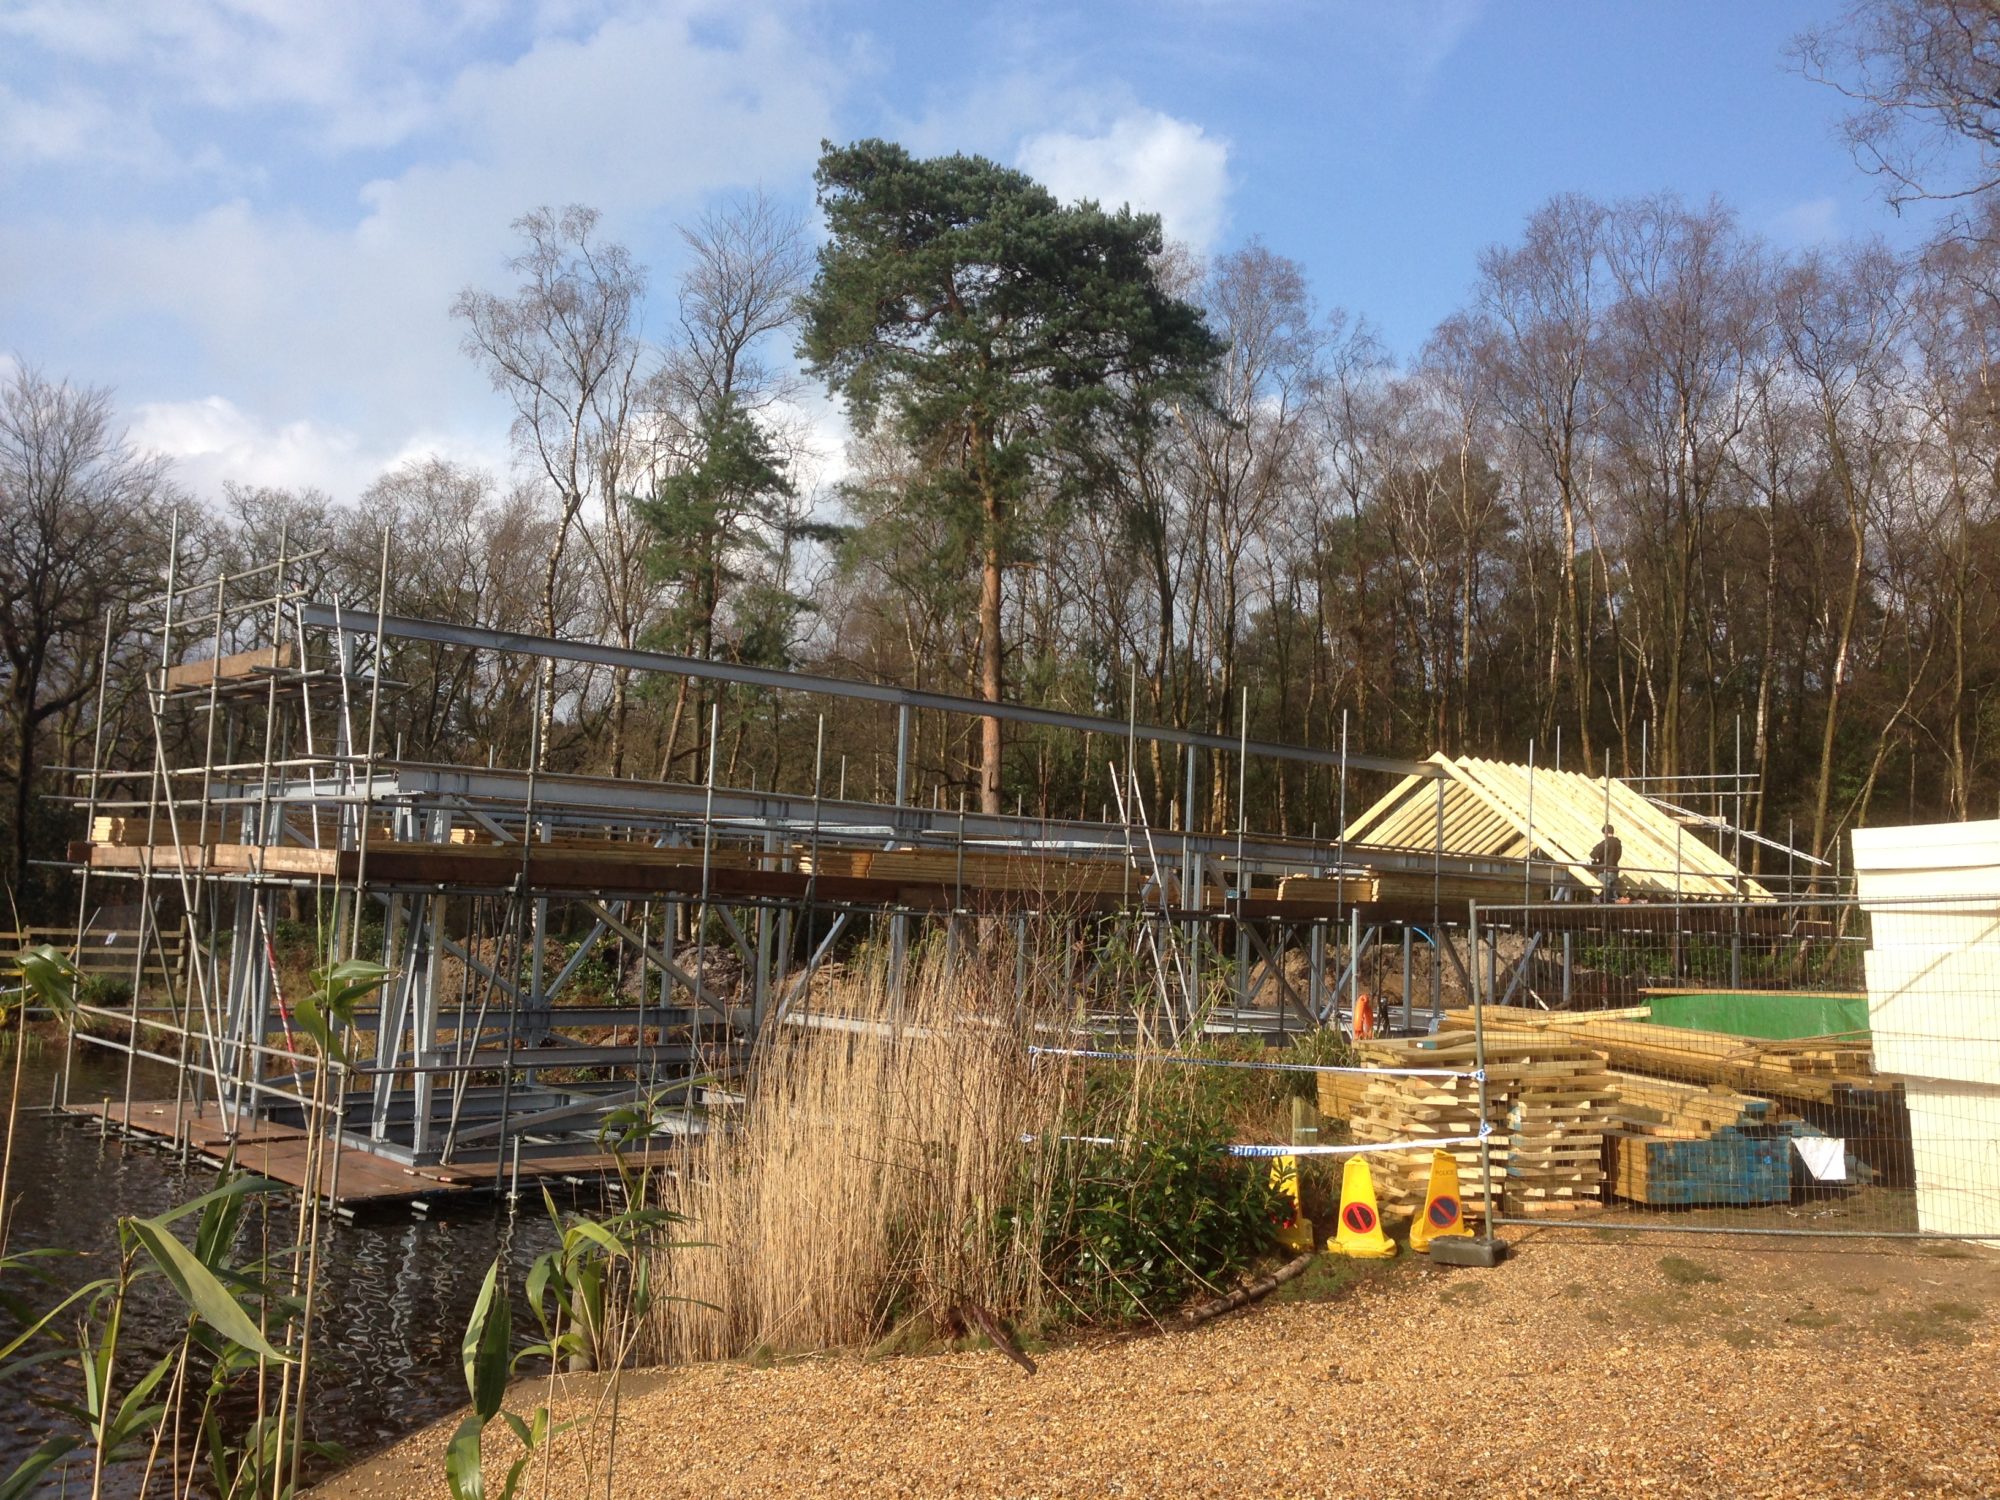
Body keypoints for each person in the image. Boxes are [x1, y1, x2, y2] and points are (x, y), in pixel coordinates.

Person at [1590, 823, 1623, 903]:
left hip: (1605, 871)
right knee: (1613, 896)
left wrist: (1597, 858)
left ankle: (1603, 913)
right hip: (1614, 871)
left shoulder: (1606, 843)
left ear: (1605, 833)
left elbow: (1593, 853)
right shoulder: (1618, 843)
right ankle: (1612, 913)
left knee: (1603, 895)